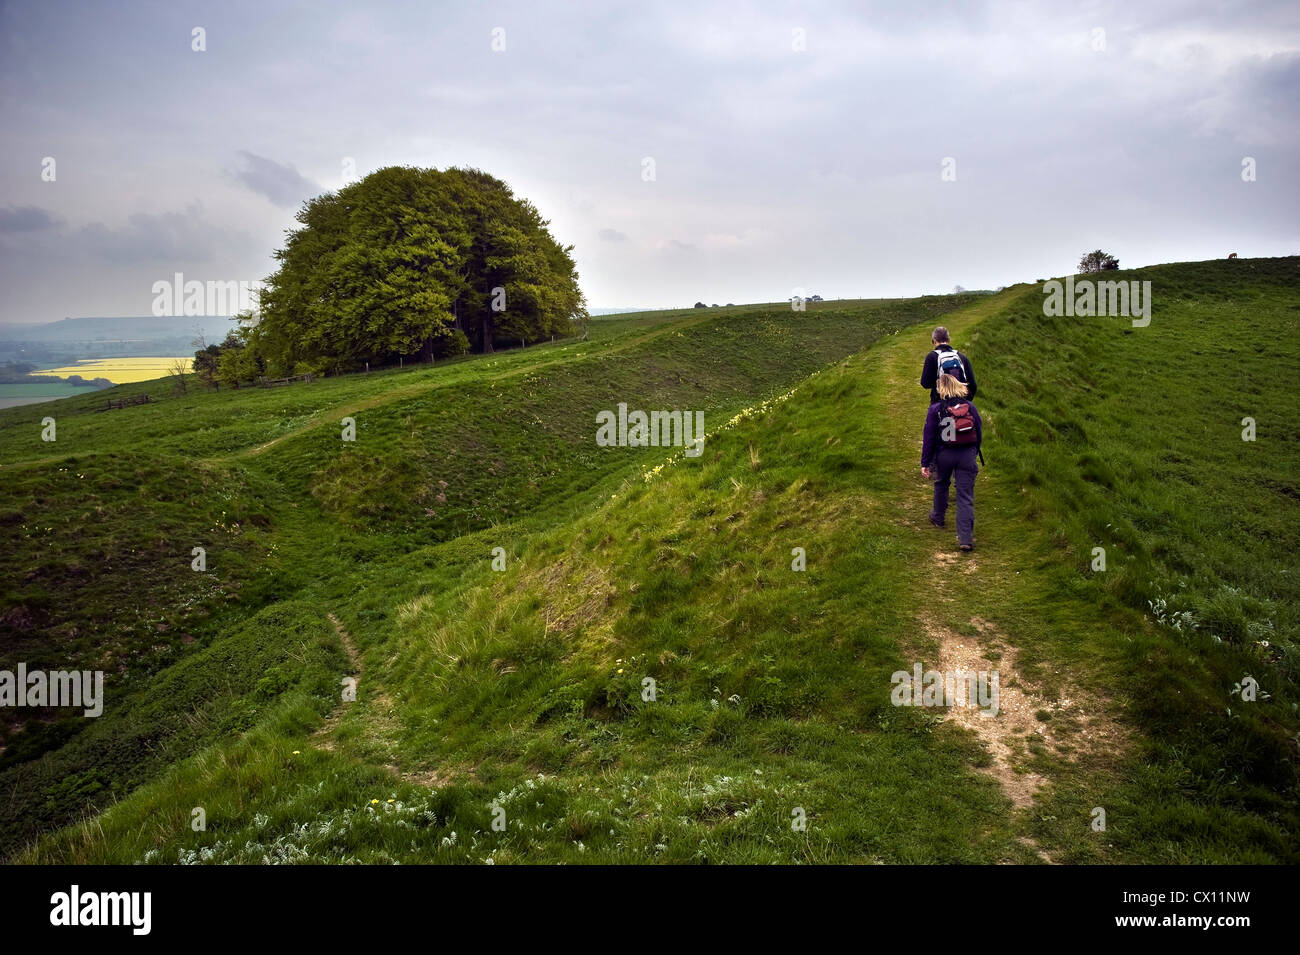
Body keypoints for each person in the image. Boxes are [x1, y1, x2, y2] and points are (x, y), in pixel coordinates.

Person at [921, 372, 983, 551]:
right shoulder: (970, 406)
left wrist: (926, 463)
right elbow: (978, 432)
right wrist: (974, 452)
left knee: (941, 483)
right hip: (966, 455)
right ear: (958, 386)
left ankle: (938, 517)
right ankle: (965, 538)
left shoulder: (935, 410)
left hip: (944, 455)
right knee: (965, 496)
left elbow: (929, 438)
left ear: (941, 389)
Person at [920, 326, 976, 405]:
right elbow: (973, 385)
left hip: (939, 404)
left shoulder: (931, 357)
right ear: (949, 340)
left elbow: (925, 383)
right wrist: (966, 401)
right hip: (961, 404)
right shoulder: (961, 357)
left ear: (934, 341)